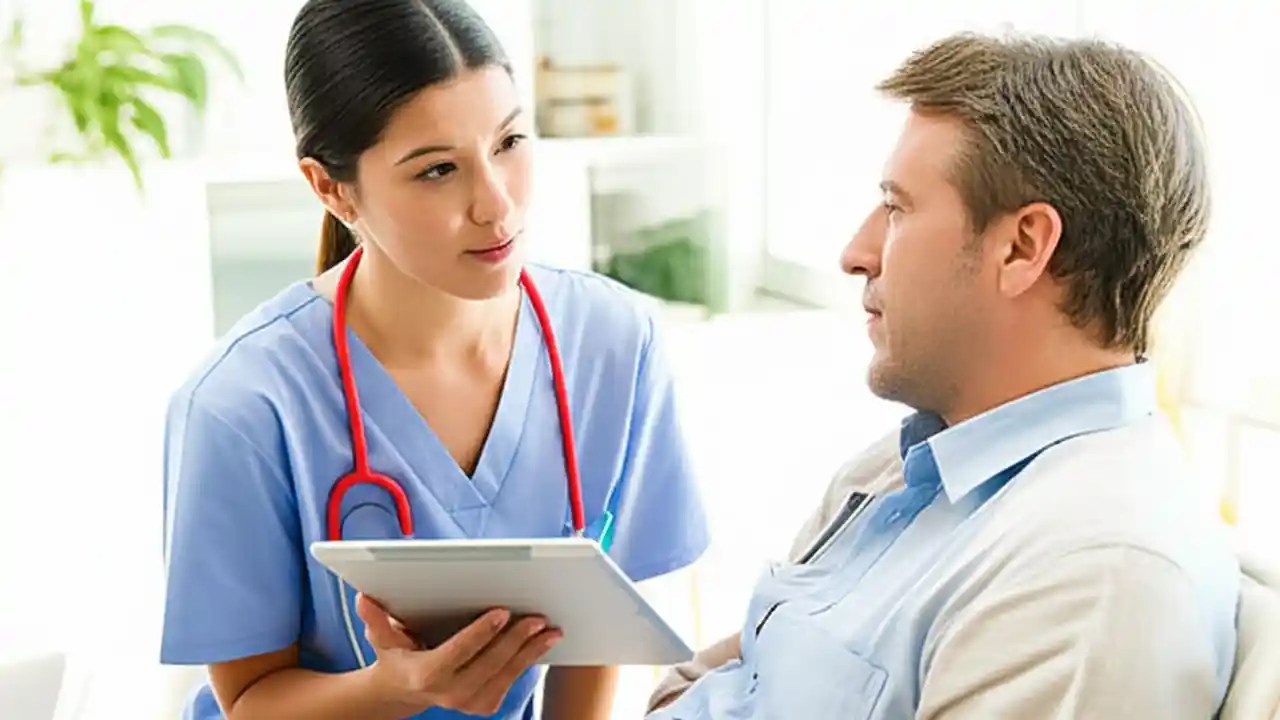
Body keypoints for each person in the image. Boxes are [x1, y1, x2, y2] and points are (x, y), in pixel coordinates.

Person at [646, 31, 1240, 719]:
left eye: (897, 210)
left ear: (1021, 247)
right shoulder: (900, 471)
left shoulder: (1096, 571)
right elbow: (726, 674)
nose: (855, 252)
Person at [158, 1, 709, 718]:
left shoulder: (613, 343)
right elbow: (250, 702)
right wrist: (393, 692)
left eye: (509, 142)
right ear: (331, 188)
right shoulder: (243, 405)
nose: (496, 205)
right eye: (437, 170)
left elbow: (592, 631)